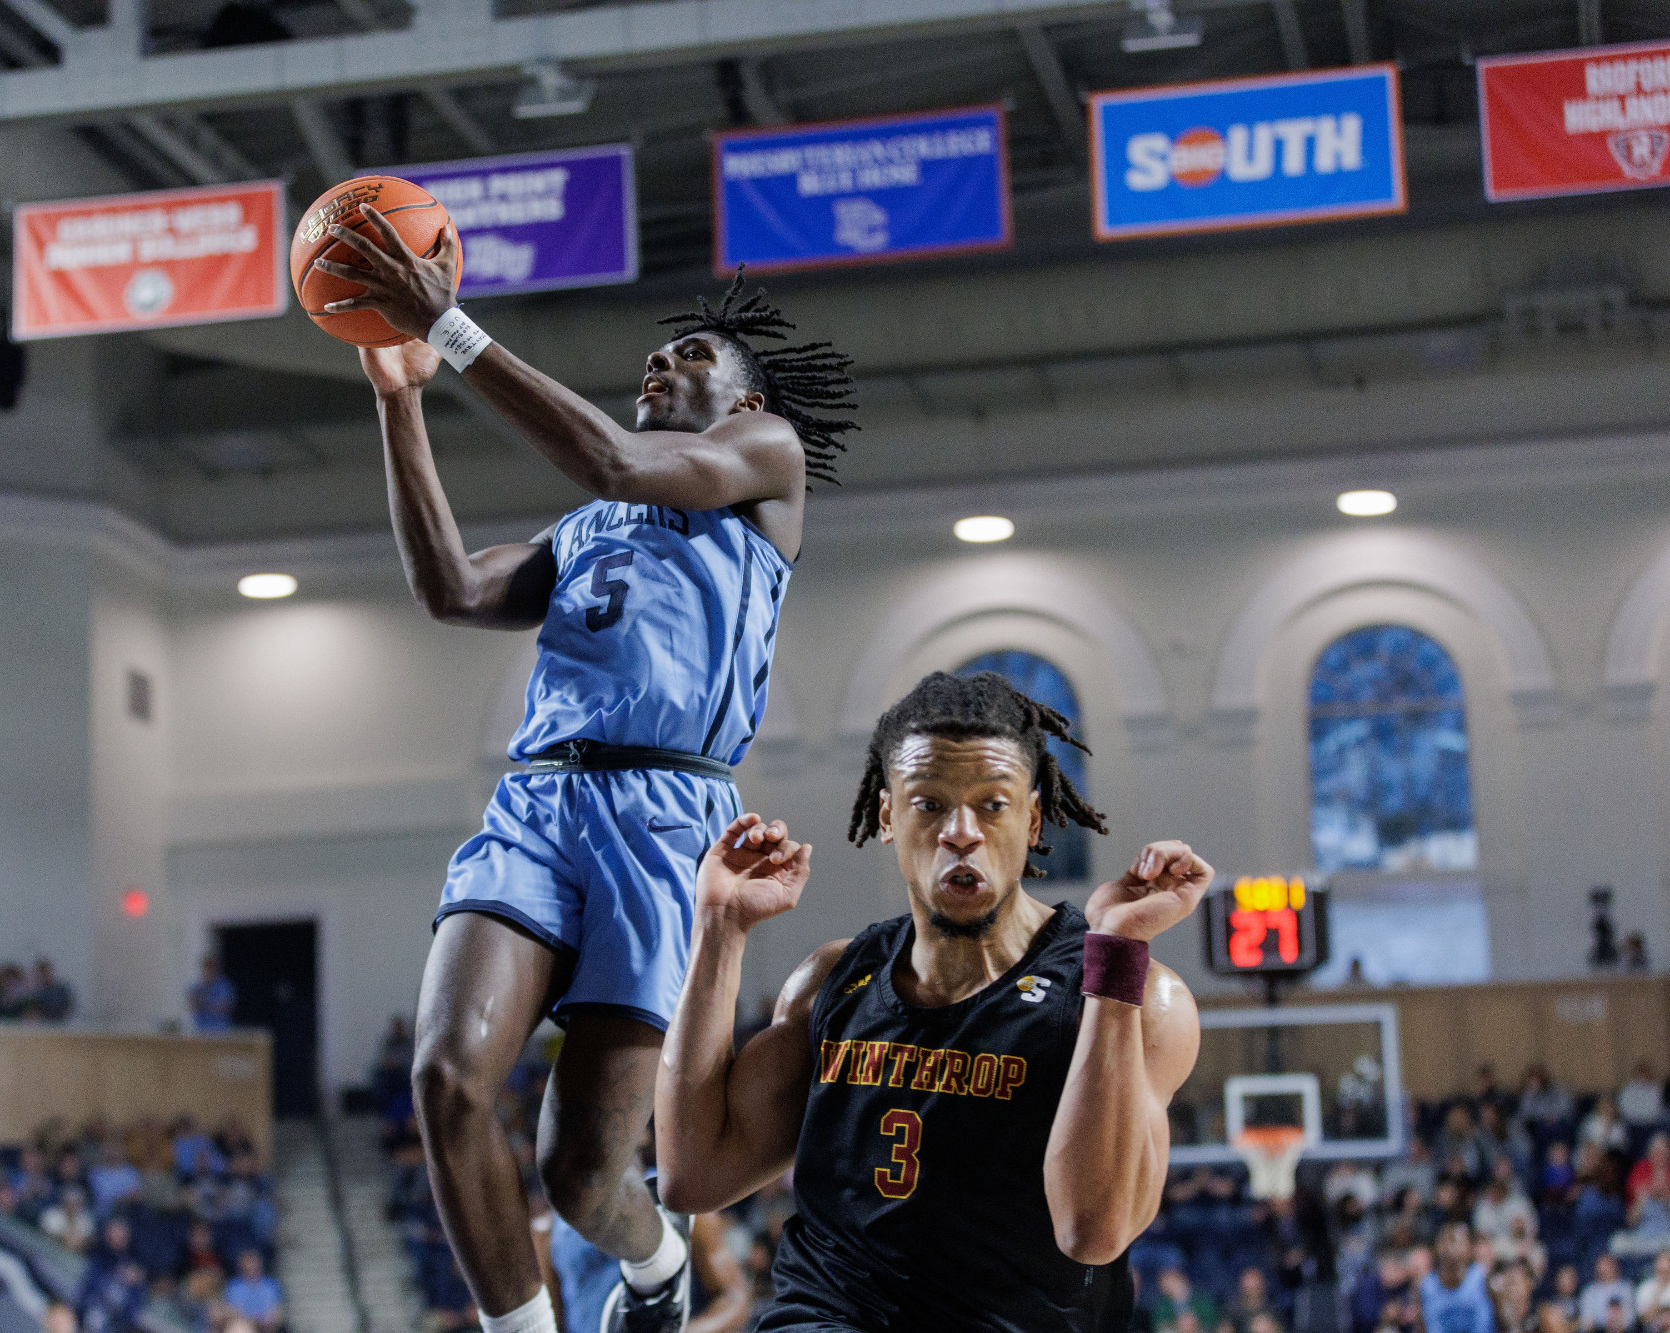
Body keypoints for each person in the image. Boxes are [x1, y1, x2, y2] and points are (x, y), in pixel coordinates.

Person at [319, 198, 858, 1333]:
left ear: (746, 399)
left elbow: (613, 453)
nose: (659, 362)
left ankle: (658, 1265)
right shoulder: (585, 530)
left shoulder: (766, 459)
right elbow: (451, 591)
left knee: (578, 1179)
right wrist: (401, 397)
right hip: (537, 801)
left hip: (666, 818)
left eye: (690, 353)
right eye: (653, 356)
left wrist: (451, 325)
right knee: (444, 1079)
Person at [655, 671, 1210, 1332]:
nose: (961, 831)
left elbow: (1094, 1231)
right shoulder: (832, 980)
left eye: (993, 804)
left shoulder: (1136, 996)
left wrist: (1116, 949)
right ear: (888, 816)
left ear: (1033, 819)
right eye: (930, 803)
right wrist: (718, 925)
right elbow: (693, 1173)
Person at [545, 1211, 752, 1333]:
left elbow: (735, 1298)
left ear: (642, 1135)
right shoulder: (547, 1229)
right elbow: (553, 1321)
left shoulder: (683, 1206)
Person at [1420, 1222, 1492, 1333]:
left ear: (1470, 1249)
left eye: (1455, 1241)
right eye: (1444, 1241)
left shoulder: (1484, 1279)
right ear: (1436, 1247)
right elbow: (1420, 1327)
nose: (1449, 1247)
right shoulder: (1425, 1286)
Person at [187, 955, 235, 1032]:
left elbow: (225, 1007)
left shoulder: (224, 987)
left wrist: (205, 1004)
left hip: (221, 1030)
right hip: (201, 1029)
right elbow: (193, 1005)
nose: (210, 971)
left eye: (213, 967)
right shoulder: (197, 987)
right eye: (208, 968)